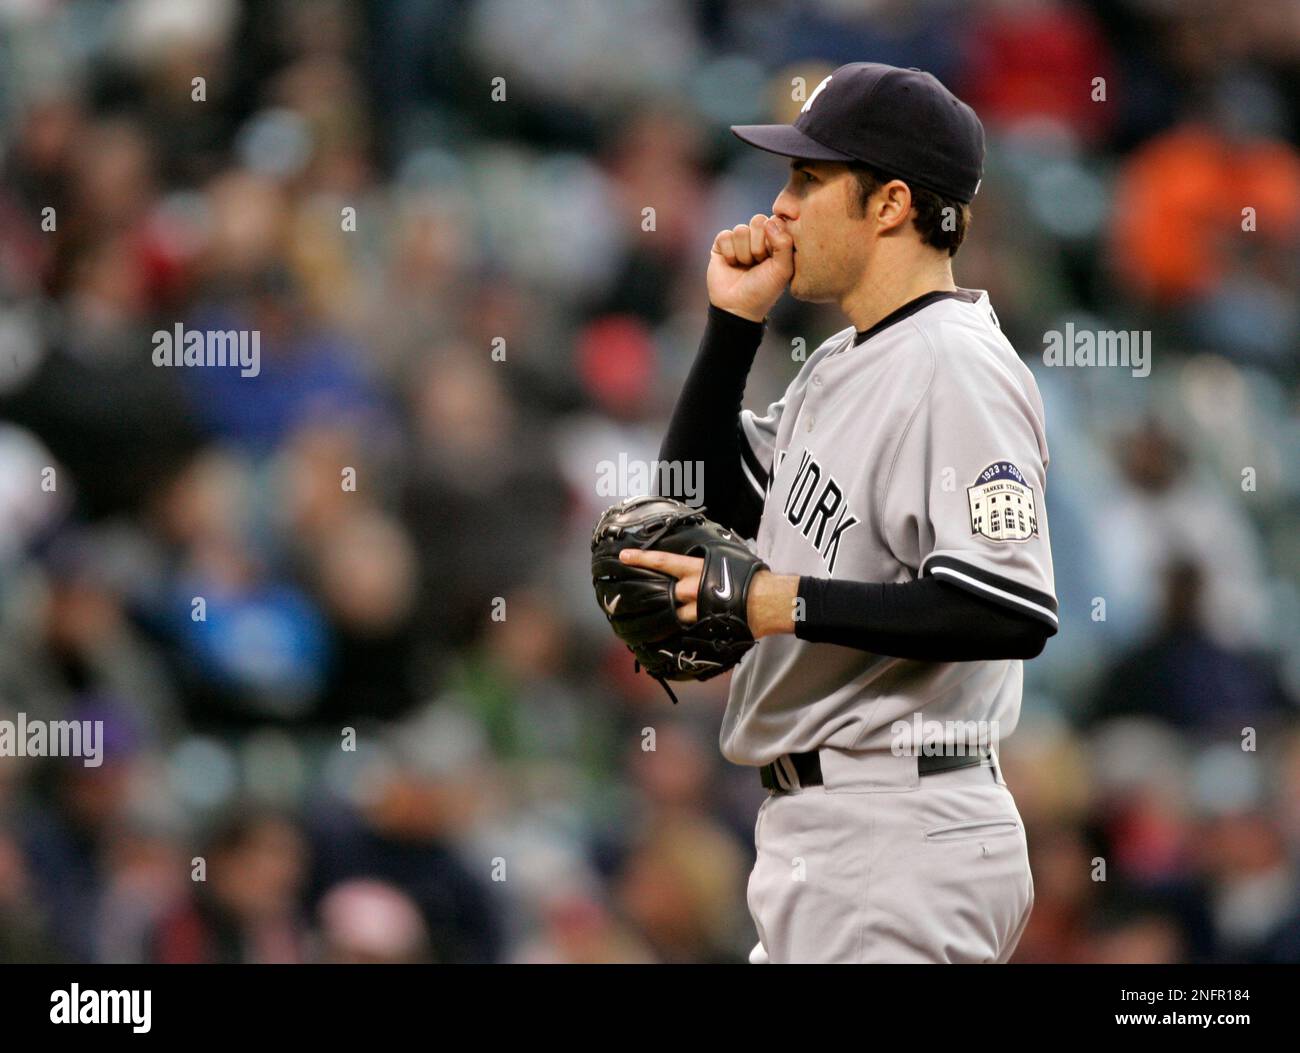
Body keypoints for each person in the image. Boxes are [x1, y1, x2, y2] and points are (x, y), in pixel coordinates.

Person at [620, 63, 1057, 963]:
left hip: (897, 827)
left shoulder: (955, 365)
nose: (780, 206)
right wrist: (732, 325)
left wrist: (775, 601)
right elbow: (696, 498)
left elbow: (1009, 608)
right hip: (838, 831)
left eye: (808, 179)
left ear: (890, 203)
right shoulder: (846, 359)